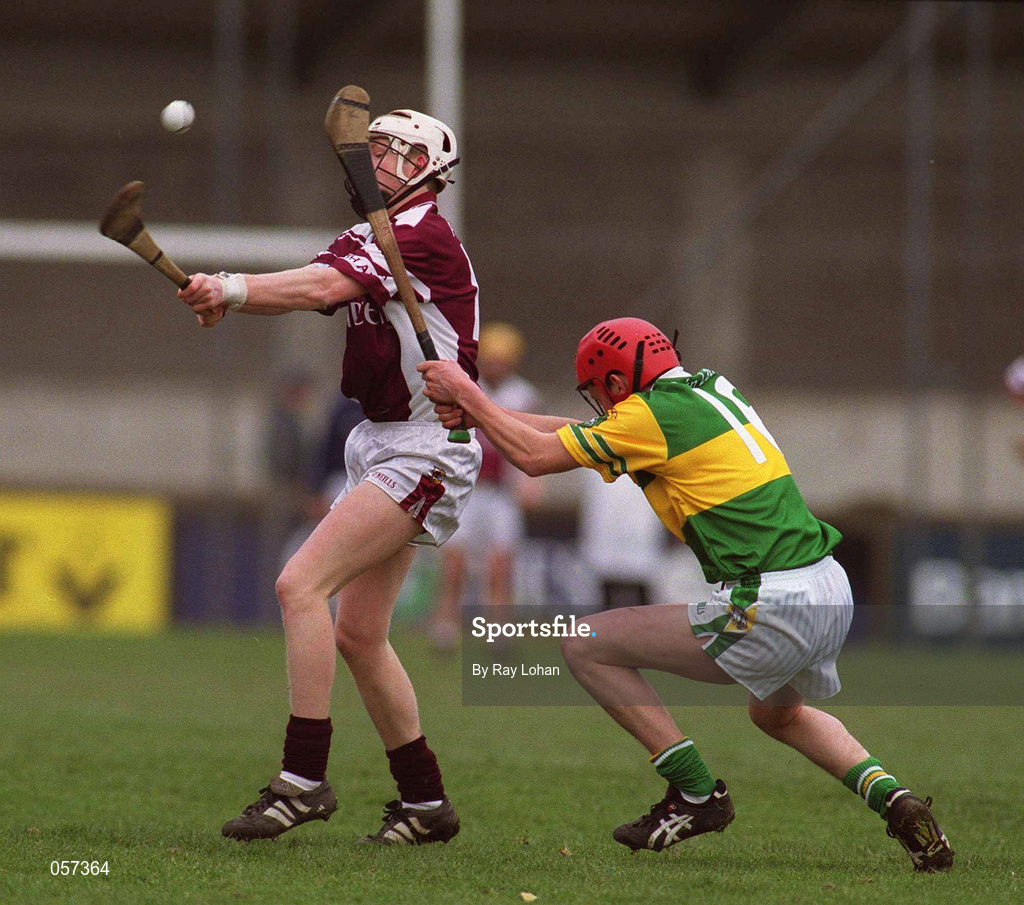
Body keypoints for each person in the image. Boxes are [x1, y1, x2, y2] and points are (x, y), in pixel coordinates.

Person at [418, 317, 954, 872]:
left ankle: (697, 794)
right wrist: (481, 408)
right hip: (827, 586)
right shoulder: (706, 388)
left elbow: (533, 457)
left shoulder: (649, 417)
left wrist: (466, 394)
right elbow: (571, 432)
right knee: (778, 716)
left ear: (618, 382)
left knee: (585, 643)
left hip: (770, 601)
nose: (600, 403)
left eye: (600, 389)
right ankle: (895, 800)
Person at [179, 107, 482, 846]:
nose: (372, 161)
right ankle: (424, 802)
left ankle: (301, 780)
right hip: (381, 439)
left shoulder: (422, 237)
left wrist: (231, 288)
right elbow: (321, 279)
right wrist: (237, 296)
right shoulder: (367, 237)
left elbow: (318, 290)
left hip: (427, 444)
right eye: (370, 148)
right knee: (361, 633)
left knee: (298, 584)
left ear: (427, 170)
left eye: (390, 152)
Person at [430, 322, 541, 650]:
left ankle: (498, 630)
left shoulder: (524, 395)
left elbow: (532, 441)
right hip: (465, 488)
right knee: (454, 562)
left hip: (500, 493)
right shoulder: (467, 387)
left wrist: (530, 482)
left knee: (500, 564)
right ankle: (445, 624)